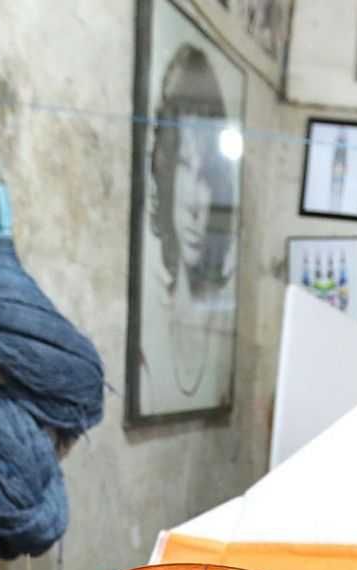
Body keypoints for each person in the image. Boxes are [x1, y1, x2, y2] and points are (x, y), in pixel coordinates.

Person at [141, 44, 237, 411]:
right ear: (165, 173)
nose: (198, 202)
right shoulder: (148, 339)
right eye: (185, 168)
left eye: (207, 176)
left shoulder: (219, 319)